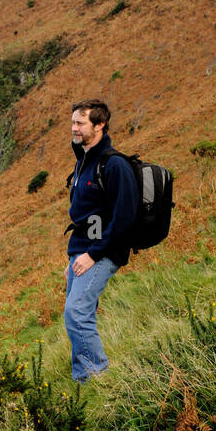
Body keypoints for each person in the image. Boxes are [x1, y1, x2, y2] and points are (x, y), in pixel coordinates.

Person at [64, 99, 137, 382]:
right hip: (81, 251)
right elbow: (86, 214)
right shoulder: (84, 160)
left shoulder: (114, 165)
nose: (75, 128)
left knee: (76, 313)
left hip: (102, 252)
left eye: (81, 123)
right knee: (78, 315)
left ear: (100, 125)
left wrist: (93, 254)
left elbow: (125, 217)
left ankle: (99, 378)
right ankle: (82, 381)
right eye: (73, 122)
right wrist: (73, 256)